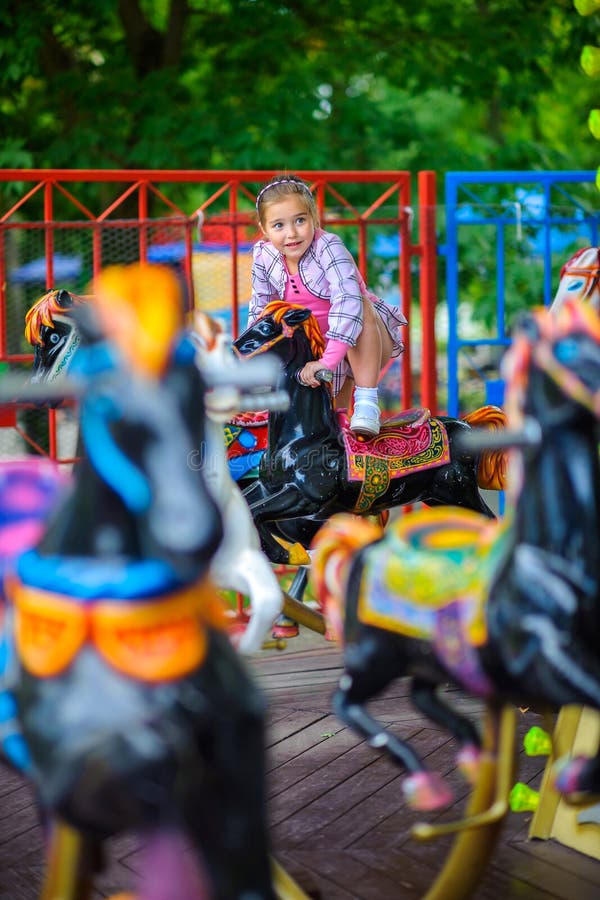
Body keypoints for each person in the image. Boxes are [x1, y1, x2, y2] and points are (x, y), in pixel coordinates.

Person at [250, 174, 407, 438]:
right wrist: (258, 363)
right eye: (278, 225)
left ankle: (368, 401)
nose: (291, 233)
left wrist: (328, 360)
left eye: (300, 220)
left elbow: (347, 301)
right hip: (317, 350)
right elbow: (260, 312)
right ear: (264, 229)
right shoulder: (263, 256)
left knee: (359, 301)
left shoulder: (328, 247)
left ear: (314, 218)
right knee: (332, 429)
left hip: (361, 343)